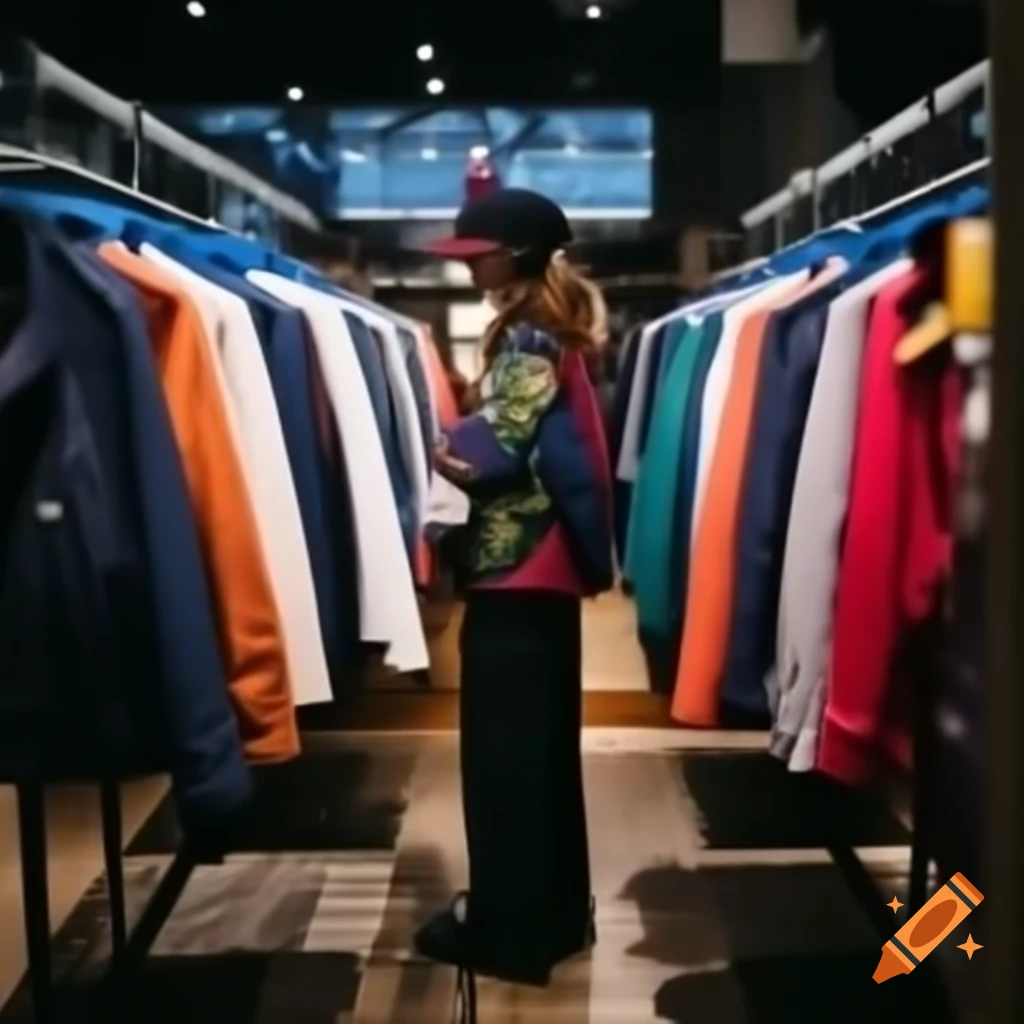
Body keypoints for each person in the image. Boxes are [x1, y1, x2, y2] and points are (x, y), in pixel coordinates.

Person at [415, 188, 615, 995]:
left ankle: (511, 929)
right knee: (543, 755)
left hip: (515, 569)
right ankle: (558, 912)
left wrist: (426, 441)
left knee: (506, 759)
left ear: (519, 255)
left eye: (480, 254)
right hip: (545, 573)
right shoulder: (547, 330)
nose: (471, 267)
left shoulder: (529, 338)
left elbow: (493, 449)